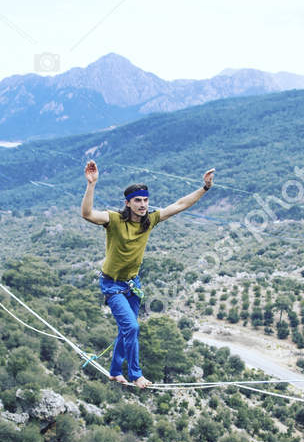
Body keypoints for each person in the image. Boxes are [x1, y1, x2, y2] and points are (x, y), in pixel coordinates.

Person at [80, 159, 213, 388]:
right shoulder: (113, 220)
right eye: (138, 200)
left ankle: (114, 370)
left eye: (145, 200)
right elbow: (87, 214)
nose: (143, 204)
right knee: (131, 327)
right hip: (112, 285)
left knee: (126, 330)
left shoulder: (149, 220)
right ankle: (135, 374)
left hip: (133, 285)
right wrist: (91, 184)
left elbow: (180, 205)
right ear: (128, 203)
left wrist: (205, 188)